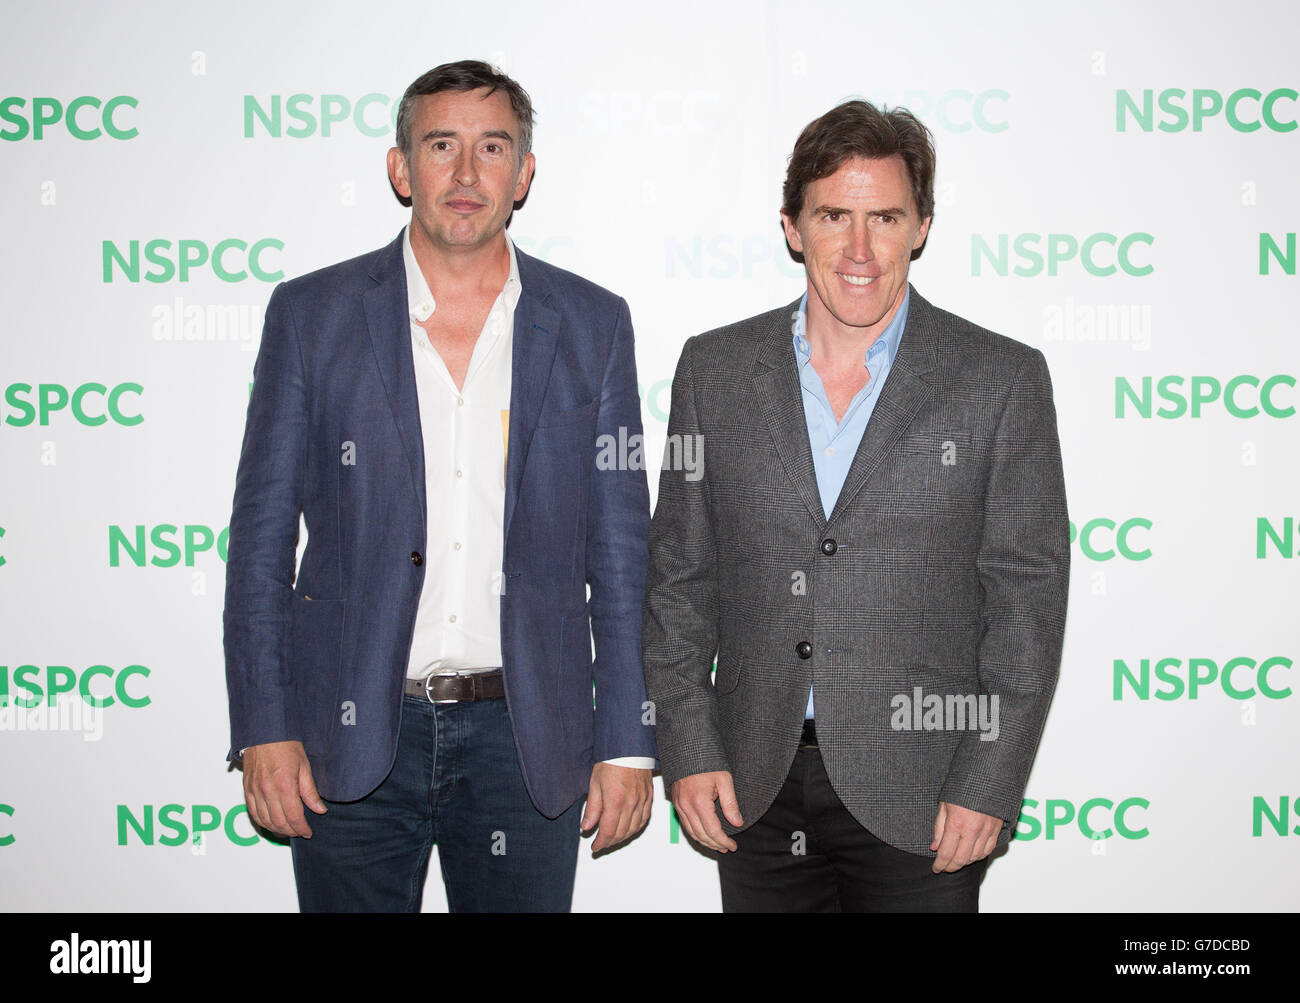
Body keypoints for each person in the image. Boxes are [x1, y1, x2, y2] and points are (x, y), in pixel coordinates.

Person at [223, 60, 655, 913]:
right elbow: (263, 537)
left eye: (492, 147)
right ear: (400, 167)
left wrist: (630, 740)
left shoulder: (593, 323)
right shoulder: (312, 315)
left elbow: (621, 549)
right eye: (441, 145)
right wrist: (262, 725)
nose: (465, 174)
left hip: (526, 739)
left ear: (524, 172)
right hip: (347, 731)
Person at [642, 99, 1069, 912]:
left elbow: (1027, 601)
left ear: (923, 226)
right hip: (754, 789)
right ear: (793, 225)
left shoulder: (1000, 379)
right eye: (835, 215)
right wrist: (689, 746)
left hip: (926, 796)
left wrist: (989, 779)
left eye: (886, 216)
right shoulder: (715, 369)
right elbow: (680, 583)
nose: (861, 248)